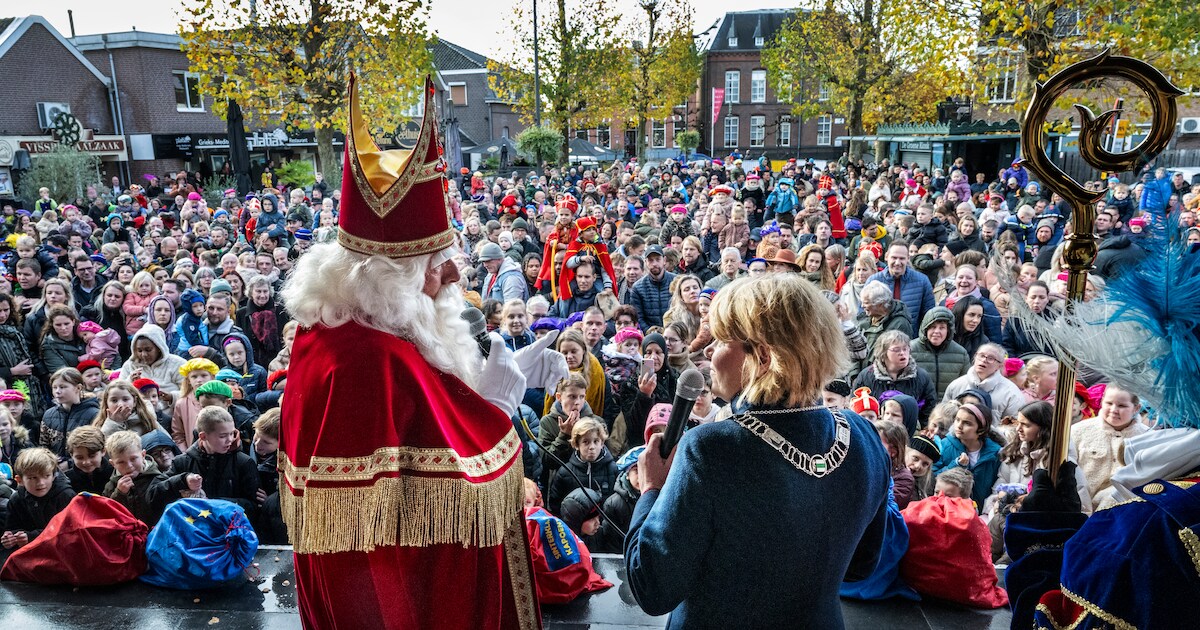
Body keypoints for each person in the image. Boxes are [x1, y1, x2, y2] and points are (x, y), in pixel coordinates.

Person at [277, 77, 548, 629]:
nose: (454, 274)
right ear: (386, 277)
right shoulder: (371, 359)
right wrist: (494, 410)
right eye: (434, 262)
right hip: (391, 595)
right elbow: (434, 502)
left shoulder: (334, 329)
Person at [625, 273, 890, 627]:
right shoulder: (865, 435)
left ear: (763, 357)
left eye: (721, 340)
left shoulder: (711, 449)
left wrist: (651, 490)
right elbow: (861, 566)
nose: (707, 350)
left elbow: (652, 587)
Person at [932, 401, 1003, 511]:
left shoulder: (995, 453)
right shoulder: (945, 445)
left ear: (981, 430)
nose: (959, 426)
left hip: (983, 510)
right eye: (957, 420)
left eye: (967, 423)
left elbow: (998, 483)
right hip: (948, 509)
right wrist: (956, 465)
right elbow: (933, 475)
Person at [102, 430, 182, 527]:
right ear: (113, 464)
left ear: (143, 455)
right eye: (121, 462)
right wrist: (119, 494)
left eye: (133, 459)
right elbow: (107, 516)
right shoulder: (111, 486)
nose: (129, 466)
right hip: (128, 537)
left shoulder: (159, 478)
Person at [2, 447, 74, 548]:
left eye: (46, 476)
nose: (40, 483)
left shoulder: (66, 496)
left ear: (54, 475)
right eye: (33, 478)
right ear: (20, 480)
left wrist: (32, 536)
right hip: (30, 551)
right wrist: (11, 538)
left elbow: (69, 531)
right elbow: (12, 527)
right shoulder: (16, 500)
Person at [909, 306, 970, 399]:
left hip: (947, 408)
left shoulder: (961, 353)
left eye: (942, 328)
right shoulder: (910, 349)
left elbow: (965, 385)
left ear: (948, 331)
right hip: (918, 406)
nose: (937, 331)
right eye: (933, 327)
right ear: (925, 329)